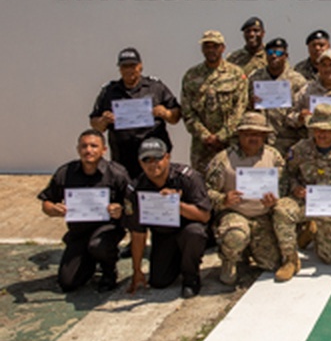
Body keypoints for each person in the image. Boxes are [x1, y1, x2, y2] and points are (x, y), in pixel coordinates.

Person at [205, 112, 296, 285]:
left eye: (258, 134)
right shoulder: (223, 159)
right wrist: (223, 199)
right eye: (248, 134)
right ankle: (229, 260)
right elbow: (206, 192)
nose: (253, 138)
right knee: (236, 236)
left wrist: (275, 199)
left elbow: (284, 185)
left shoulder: (273, 156)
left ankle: (249, 250)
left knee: (271, 264)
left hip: (262, 215)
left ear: (264, 136)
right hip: (235, 214)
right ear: (239, 134)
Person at [38, 129, 132, 292]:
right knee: (68, 283)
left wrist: (121, 210)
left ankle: (109, 271)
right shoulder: (65, 173)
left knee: (97, 246)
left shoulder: (117, 173)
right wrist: (53, 209)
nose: (88, 150)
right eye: (84, 146)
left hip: (107, 231)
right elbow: (46, 202)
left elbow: (132, 206)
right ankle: (89, 261)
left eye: (94, 146)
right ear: (78, 149)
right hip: (79, 232)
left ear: (104, 150)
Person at [273, 104, 331, 266]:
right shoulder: (300, 149)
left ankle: (313, 230)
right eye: (317, 129)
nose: (321, 134)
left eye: (326, 130)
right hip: (306, 202)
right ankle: (290, 259)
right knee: (282, 210)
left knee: (330, 258)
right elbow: (288, 173)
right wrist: (295, 187)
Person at [126, 138, 211, 299]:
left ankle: (191, 277)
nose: (153, 164)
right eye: (147, 159)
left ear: (167, 157)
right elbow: (138, 233)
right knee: (159, 282)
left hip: (188, 230)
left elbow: (204, 216)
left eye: (157, 158)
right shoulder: (136, 189)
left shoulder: (188, 177)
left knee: (195, 233)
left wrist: (176, 204)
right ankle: (178, 260)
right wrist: (136, 270)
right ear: (140, 162)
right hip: (163, 235)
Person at [90, 47, 181, 179]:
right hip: (122, 156)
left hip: (154, 155)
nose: (129, 70)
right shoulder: (109, 91)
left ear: (140, 66)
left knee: (154, 188)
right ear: (120, 69)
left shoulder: (155, 87)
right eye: (125, 66)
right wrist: (103, 121)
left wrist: (166, 113)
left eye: (132, 66)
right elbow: (95, 123)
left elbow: (176, 116)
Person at [181, 30, 248, 174]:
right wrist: (205, 136)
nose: (211, 50)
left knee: (232, 181)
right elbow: (187, 112)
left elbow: (240, 109)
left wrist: (221, 136)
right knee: (200, 183)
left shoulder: (236, 74)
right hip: (201, 147)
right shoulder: (191, 76)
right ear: (202, 49)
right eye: (207, 46)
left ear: (223, 48)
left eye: (215, 46)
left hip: (230, 143)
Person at [247, 37, 308, 155]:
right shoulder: (255, 78)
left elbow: (302, 111)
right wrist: (251, 104)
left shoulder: (297, 81)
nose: (274, 56)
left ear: (286, 56)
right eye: (270, 52)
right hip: (261, 140)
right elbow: (244, 107)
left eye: (279, 53)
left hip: (289, 140)